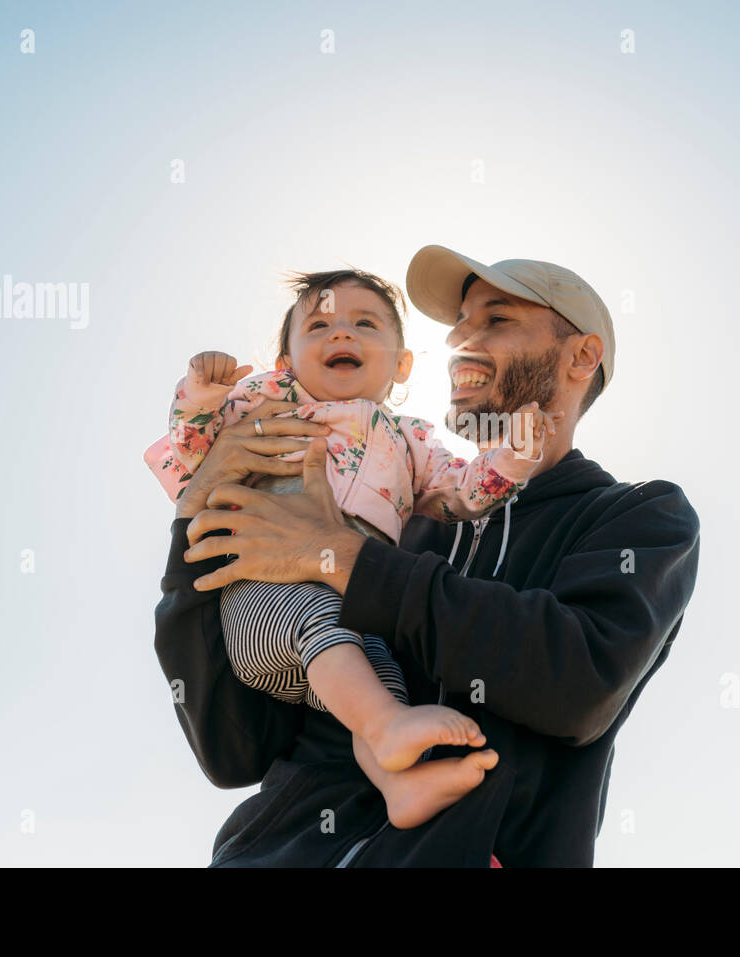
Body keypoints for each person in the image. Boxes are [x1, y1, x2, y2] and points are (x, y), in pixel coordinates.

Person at [154, 244, 701, 866]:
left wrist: (344, 559)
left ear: (581, 356)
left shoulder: (638, 516)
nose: (462, 339)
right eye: (459, 325)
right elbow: (233, 748)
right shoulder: (397, 520)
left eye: (495, 320)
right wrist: (195, 510)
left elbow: (577, 681)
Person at [143, 269, 561, 829]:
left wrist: (512, 458)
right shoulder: (270, 402)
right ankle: (388, 730)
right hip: (266, 595)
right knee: (328, 630)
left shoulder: (411, 441)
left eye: (365, 323)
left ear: (402, 365)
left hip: (349, 604)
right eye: (319, 325)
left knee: (381, 678)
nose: (342, 333)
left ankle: (397, 782)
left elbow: (463, 492)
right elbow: (194, 446)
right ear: (287, 362)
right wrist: (202, 391)